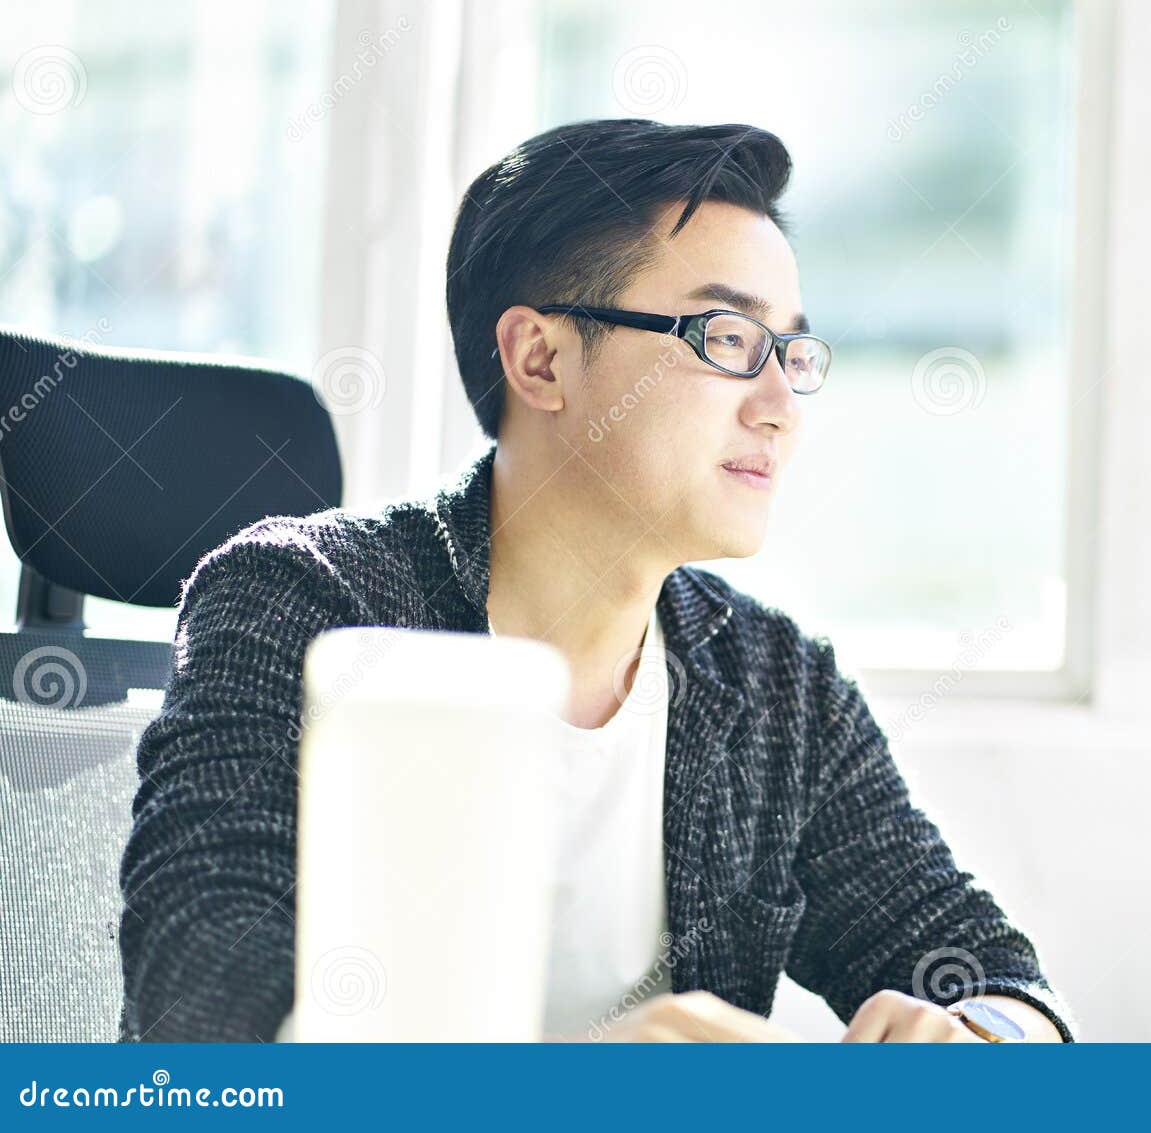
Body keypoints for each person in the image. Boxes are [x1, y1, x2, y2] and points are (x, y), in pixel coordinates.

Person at [118, 118, 1076, 1043]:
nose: (782, 405)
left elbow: (994, 973)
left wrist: (977, 1034)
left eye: (792, 351)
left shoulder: (778, 685)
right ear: (541, 358)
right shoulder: (304, 603)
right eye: (728, 339)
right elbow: (202, 998)